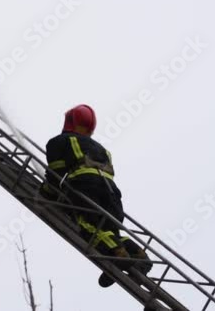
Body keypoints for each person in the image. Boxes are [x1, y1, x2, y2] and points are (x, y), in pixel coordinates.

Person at [39, 104, 151, 287]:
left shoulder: (59, 142)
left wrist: (46, 193)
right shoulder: (101, 149)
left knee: (88, 226)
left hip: (86, 187)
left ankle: (118, 255)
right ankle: (138, 254)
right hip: (112, 193)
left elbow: (55, 175)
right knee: (110, 230)